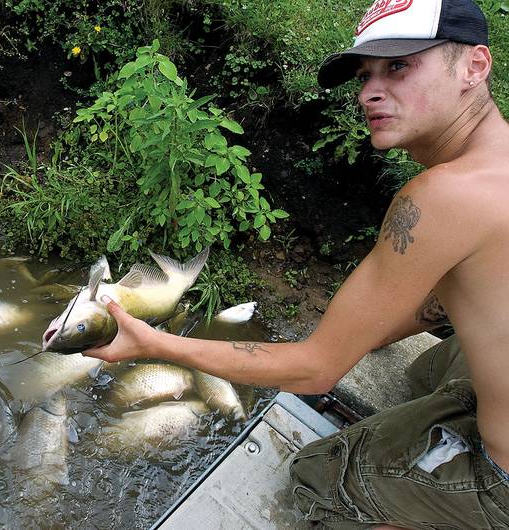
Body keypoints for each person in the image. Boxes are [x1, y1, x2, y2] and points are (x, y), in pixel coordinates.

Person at [83, 0, 509, 527]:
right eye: (365, 74)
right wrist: (354, 336)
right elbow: (458, 295)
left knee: (315, 476)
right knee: (432, 366)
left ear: (475, 66)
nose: (369, 92)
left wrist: (151, 343)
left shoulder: (445, 196)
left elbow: (316, 372)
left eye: (399, 65)